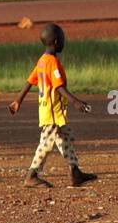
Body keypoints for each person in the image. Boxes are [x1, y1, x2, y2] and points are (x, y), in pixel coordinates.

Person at [9, 23, 98, 188]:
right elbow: (58, 86)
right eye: (63, 39)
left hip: (51, 109)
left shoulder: (42, 61)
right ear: (56, 42)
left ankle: (75, 172)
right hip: (51, 111)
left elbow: (30, 81)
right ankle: (31, 175)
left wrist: (18, 100)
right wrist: (75, 101)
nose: (64, 42)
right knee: (47, 142)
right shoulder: (51, 62)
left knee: (65, 137)